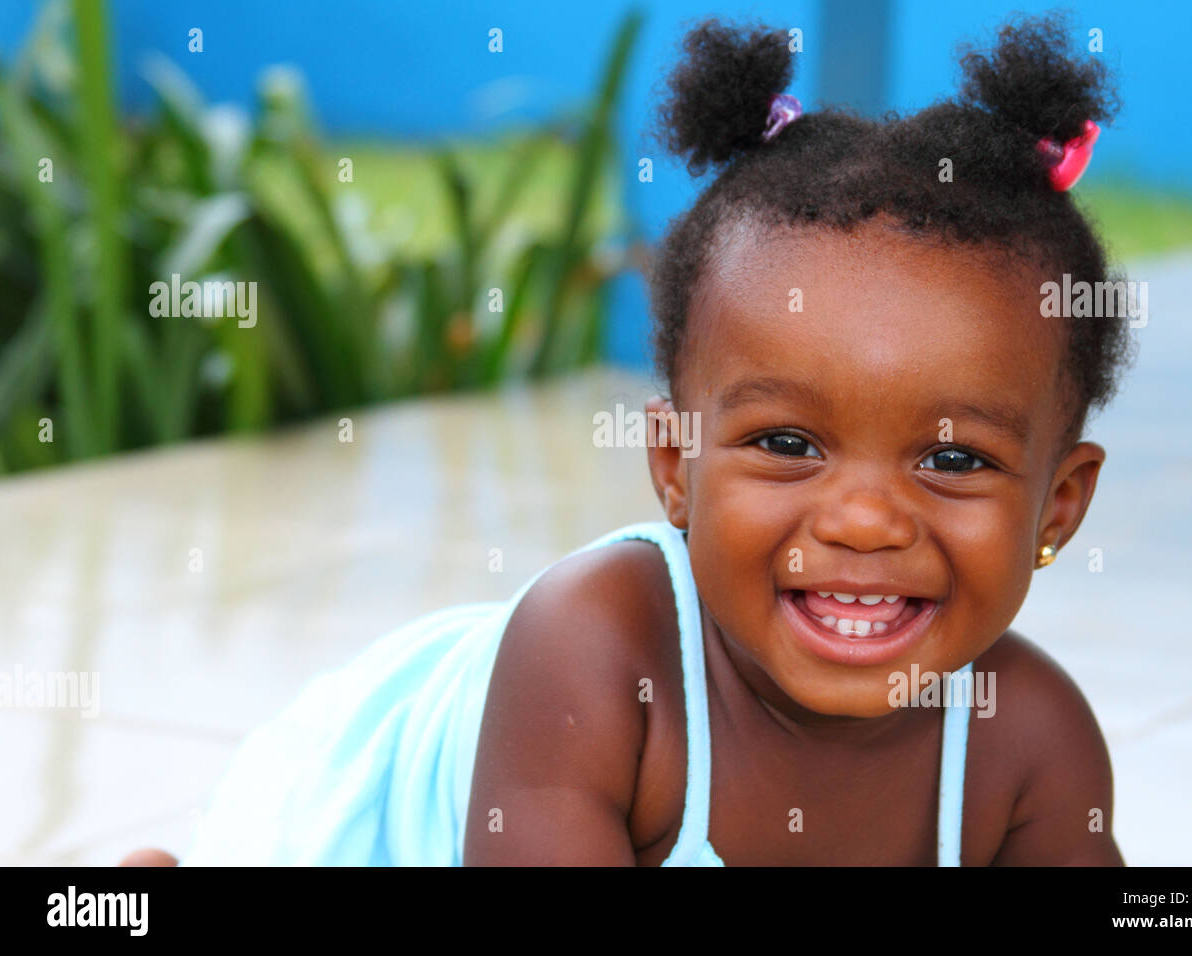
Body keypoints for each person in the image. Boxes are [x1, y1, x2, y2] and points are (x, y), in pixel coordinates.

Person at [138, 11, 1133, 866]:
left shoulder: (1029, 747)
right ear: (676, 468)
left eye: (953, 458)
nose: (864, 520)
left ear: (1056, 503)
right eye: (786, 441)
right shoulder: (596, 658)